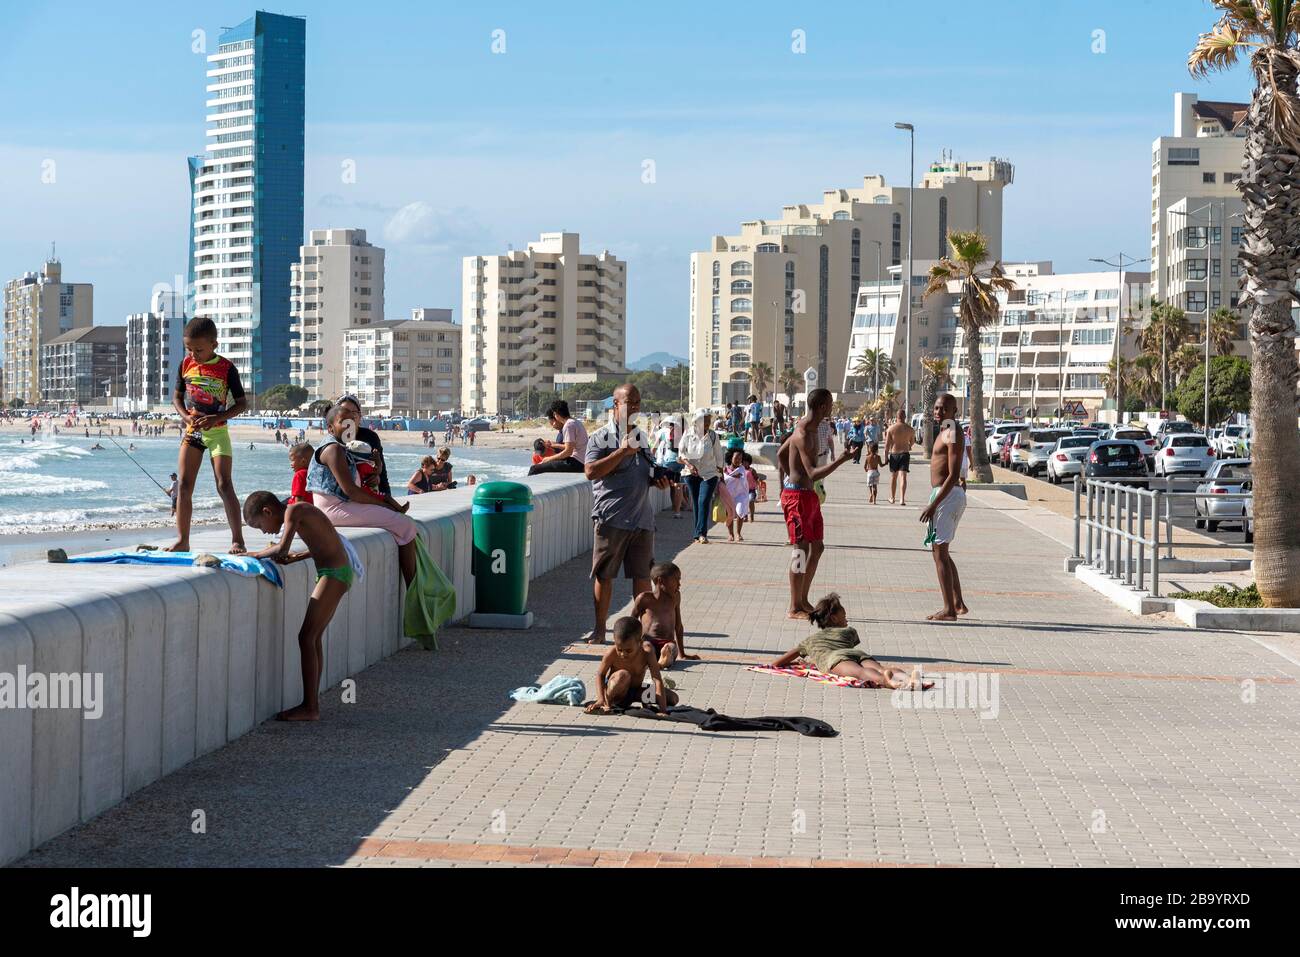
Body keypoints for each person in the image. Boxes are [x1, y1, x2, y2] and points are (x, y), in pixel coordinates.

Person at [244, 490, 364, 721]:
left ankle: (310, 708)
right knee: (313, 638)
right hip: (334, 572)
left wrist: (254, 555)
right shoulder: (298, 511)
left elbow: (281, 548)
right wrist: (297, 559)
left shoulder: (294, 511)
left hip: (334, 574)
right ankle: (311, 704)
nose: (264, 531)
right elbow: (324, 540)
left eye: (260, 525)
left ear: (268, 511)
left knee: (306, 638)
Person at [583, 383, 670, 644]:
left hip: (642, 519)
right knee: (604, 575)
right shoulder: (600, 437)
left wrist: (659, 481)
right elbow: (590, 472)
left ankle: (642, 632)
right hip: (611, 519)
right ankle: (600, 629)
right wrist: (622, 451)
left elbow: (645, 471)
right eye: (628, 402)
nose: (634, 407)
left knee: (642, 578)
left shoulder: (642, 438)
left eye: (637, 403)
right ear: (614, 405)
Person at [307, 403, 418, 586]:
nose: (349, 425)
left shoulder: (343, 447)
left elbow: (361, 481)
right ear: (330, 427)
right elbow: (350, 491)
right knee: (404, 524)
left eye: (351, 420)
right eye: (343, 421)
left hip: (343, 504)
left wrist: (377, 468)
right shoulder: (333, 449)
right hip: (334, 508)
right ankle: (413, 588)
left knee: (401, 522)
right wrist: (383, 505)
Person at [168, 316, 248, 554]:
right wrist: (185, 417)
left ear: (214, 344)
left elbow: (242, 404)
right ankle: (183, 540)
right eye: (189, 349)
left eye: (199, 350)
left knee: (224, 484)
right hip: (193, 433)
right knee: (183, 485)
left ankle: (238, 540)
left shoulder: (226, 368)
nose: (193, 354)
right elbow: (176, 398)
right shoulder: (185, 365)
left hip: (218, 433)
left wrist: (216, 418)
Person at [777, 388, 853, 619]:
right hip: (797, 496)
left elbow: (781, 453)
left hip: (807, 496)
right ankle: (794, 606)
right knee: (800, 550)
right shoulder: (802, 433)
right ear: (822, 407)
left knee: (817, 547)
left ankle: (803, 599)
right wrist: (840, 460)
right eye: (830, 404)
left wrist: (789, 475)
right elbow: (812, 472)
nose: (831, 407)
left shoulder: (809, 428)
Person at [768, 593, 929, 690]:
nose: (846, 619)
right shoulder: (848, 631)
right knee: (881, 667)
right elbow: (848, 646)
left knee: (860, 673)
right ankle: (908, 679)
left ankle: (887, 682)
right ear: (834, 618)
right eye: (844, 616)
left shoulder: (809, 641)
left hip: (834, 659)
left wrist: (800, 662)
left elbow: (777, 663)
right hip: (856, 654)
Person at [918, 393, 969, 622]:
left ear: (953, 411)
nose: (939, 412)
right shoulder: (947, 430)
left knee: (939, 554)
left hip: (946, 497)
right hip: (947, 495)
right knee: (943, 554)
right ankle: (957, 603)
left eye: (944, 409)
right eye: (937, 408)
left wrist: (933, 504)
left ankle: (948, 610)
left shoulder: (952, 431)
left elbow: (953, 473)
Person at [583, 616, 676, 715]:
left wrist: (662, 710)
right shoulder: (612, 653)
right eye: (620, 649)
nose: (623, 654)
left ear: (639, 643)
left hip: (636, 693)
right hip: (616, 694)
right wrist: (600, 699)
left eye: (628, 650)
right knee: (623, 675)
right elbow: (600, 675)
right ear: (615, 642)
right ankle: (607, 705)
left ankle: (645, 702)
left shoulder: (647, 652)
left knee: (673, 698)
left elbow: (657, 679)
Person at [631, 561, 697, 670]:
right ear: (660, 581)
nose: (679, 584)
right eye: (676, 580)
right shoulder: (644, 598)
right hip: (648, 641)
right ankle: (654, 661)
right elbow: (631, 623)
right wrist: (631, 646)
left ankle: (661, 661)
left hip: (668, 642)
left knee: (670, 649)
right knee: (647, 647)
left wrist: (682, 654)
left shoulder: (675, 597)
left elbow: (678, 626)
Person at [678, 408, 727, 545]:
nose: (707, 422)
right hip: (691, 473)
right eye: (704, 419)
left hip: (709, 474)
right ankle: (697, 533)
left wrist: (721, 474)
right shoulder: (688, 434)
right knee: (696, 503)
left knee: (704, 501)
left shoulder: (713, 436)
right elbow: (681, 454)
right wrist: (689, 465)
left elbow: (719, 456)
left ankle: (702, 533)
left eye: (708, 419)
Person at [331, 394, 391, 500]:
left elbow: (381, 471)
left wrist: (378, 480)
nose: (350, 416)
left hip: (369, 493)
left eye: (354, 412)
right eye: (345, 412)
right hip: (341, 496)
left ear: (360, 416)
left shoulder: (370, 437)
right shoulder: (333, 440)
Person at [529, 400, 587, 474]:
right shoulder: (575, 422)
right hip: (581, 461)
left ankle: (525, 485)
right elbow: (569, 447)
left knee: (534, 469)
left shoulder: (568, 425)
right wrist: (552, 445)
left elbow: (568, 452)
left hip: (577, 463)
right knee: (544, 465)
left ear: (556, 414)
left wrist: (549, 459)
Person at [652, 414, 686, 519]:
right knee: (678, 486)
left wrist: (651, 459)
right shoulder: (684, 433)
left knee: (672, 486)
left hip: (667, 462)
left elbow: (654, 448)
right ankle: (677, 511)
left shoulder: (664, 432)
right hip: (680, 462)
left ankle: (675, 509)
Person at [884, 407, 916, 506]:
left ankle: (892, 498)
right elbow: (912, 441)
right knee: (903, 477)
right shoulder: (910, 429)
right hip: (905, 454)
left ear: (896, 417)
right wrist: (909, 446)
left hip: (894, 454)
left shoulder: (891, 429)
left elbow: (887, 446)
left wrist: (885, 458)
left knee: (894, 477)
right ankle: (902, 499)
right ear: (905, 417)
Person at [722, 449, 750, 542]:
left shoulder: (741, 469)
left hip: (740, 495)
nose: (738, 460)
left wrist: (732, 476)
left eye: (740, 458)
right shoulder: (724, 469)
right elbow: (723, 480)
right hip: (728, 495)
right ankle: (731, 534)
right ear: (731, 458)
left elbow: (742, 479)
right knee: (729, 514)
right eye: (736, 457)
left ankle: (738, 533)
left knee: (740, 512)